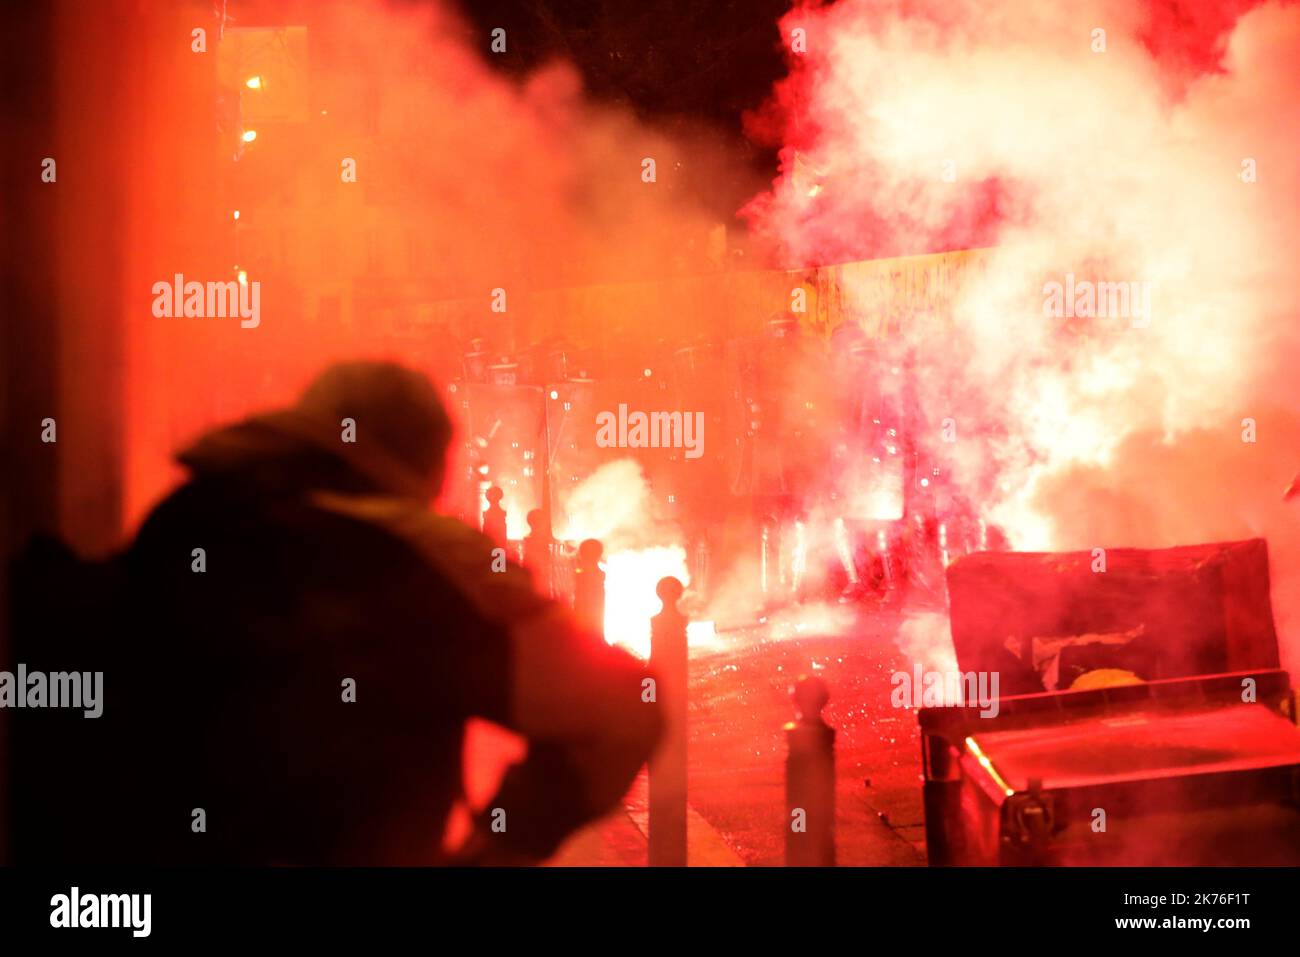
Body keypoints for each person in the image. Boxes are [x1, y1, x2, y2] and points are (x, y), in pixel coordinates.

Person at [22, 361, 661, 865]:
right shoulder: (418, 557)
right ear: (423, 463)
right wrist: (500, 845)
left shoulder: (185, 521)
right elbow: (621, 705)